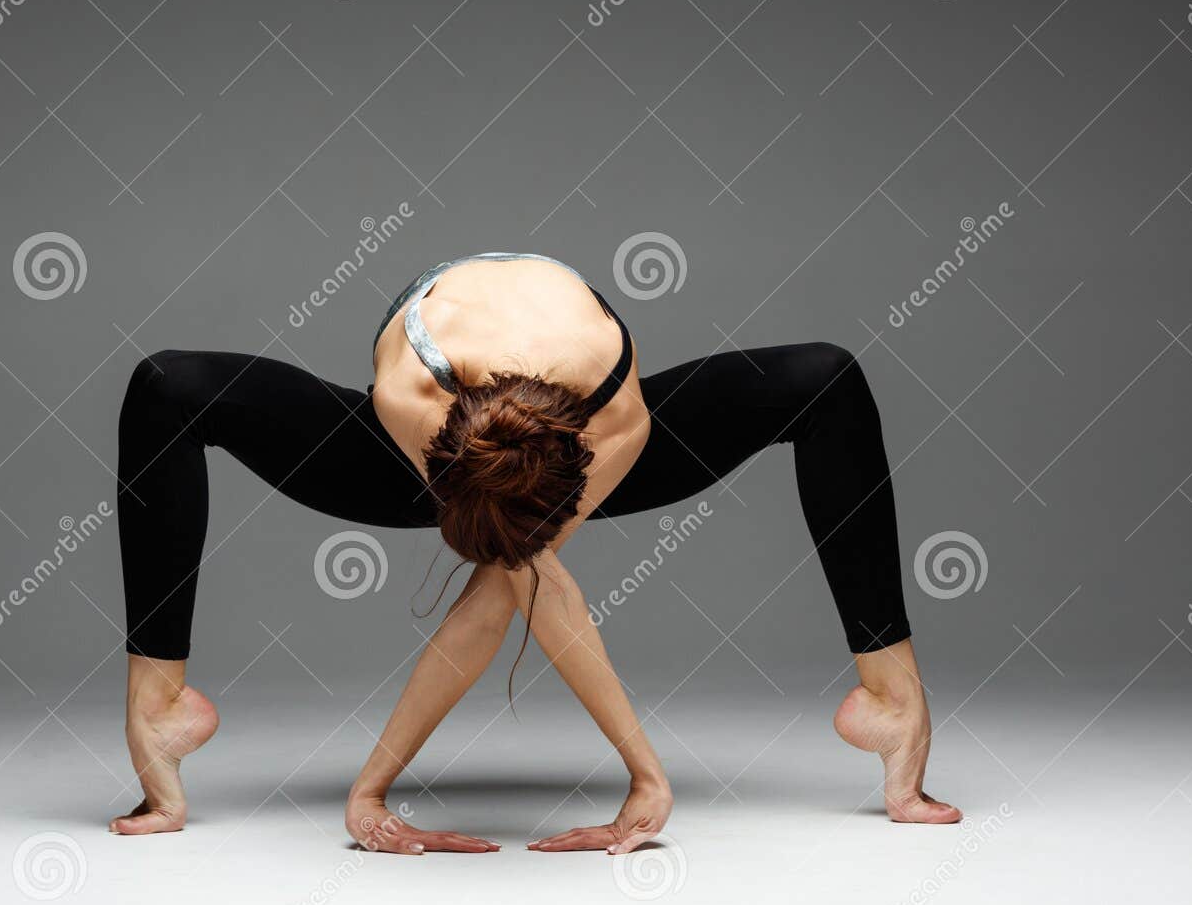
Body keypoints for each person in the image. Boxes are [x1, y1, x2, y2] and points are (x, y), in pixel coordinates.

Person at [109, 252, 961, 848]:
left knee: (827, 377)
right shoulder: (411, 399)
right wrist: (370, 794)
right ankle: (160, 707)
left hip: (569, 425)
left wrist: (647, 778)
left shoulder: (615, 420)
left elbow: (524, 589)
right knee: (168, 387)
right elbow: (510, 582)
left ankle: (893, 700)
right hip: (437, 428)